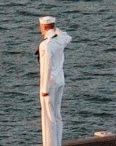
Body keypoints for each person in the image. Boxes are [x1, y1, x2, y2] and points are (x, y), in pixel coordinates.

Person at [37, 16, 71, 146]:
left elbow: (46, 67)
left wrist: (44, 88)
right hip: (59, 80)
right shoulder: (60, 40)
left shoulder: (45, 45)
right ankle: (57, 142)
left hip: (49, 83)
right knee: (57, 115)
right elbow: (68, 37)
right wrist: (57, 30)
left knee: (48, 117)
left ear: (45, 27)